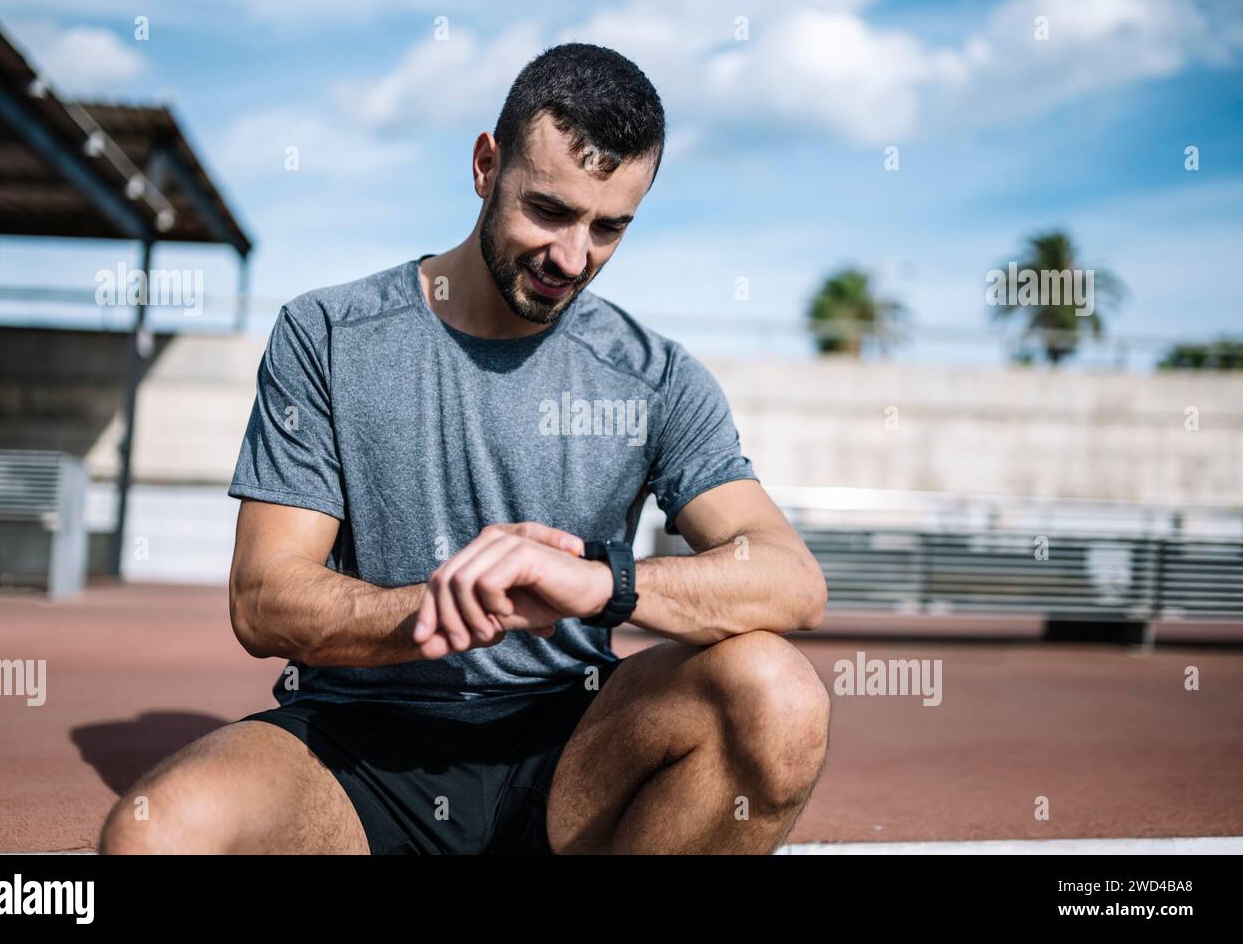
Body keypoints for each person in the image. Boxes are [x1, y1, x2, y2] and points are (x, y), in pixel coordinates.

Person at [99, 42, 829, 855]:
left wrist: (596, 583)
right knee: (155, 837)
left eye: (609, 226)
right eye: (549, 211)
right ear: (487, 165)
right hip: (354, 745)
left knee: (776, 693)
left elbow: (790, 579)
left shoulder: (653, 377)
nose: (572, 257)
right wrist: (439, 608)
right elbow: (263, 599)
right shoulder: (328, 334)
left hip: (569, 748)